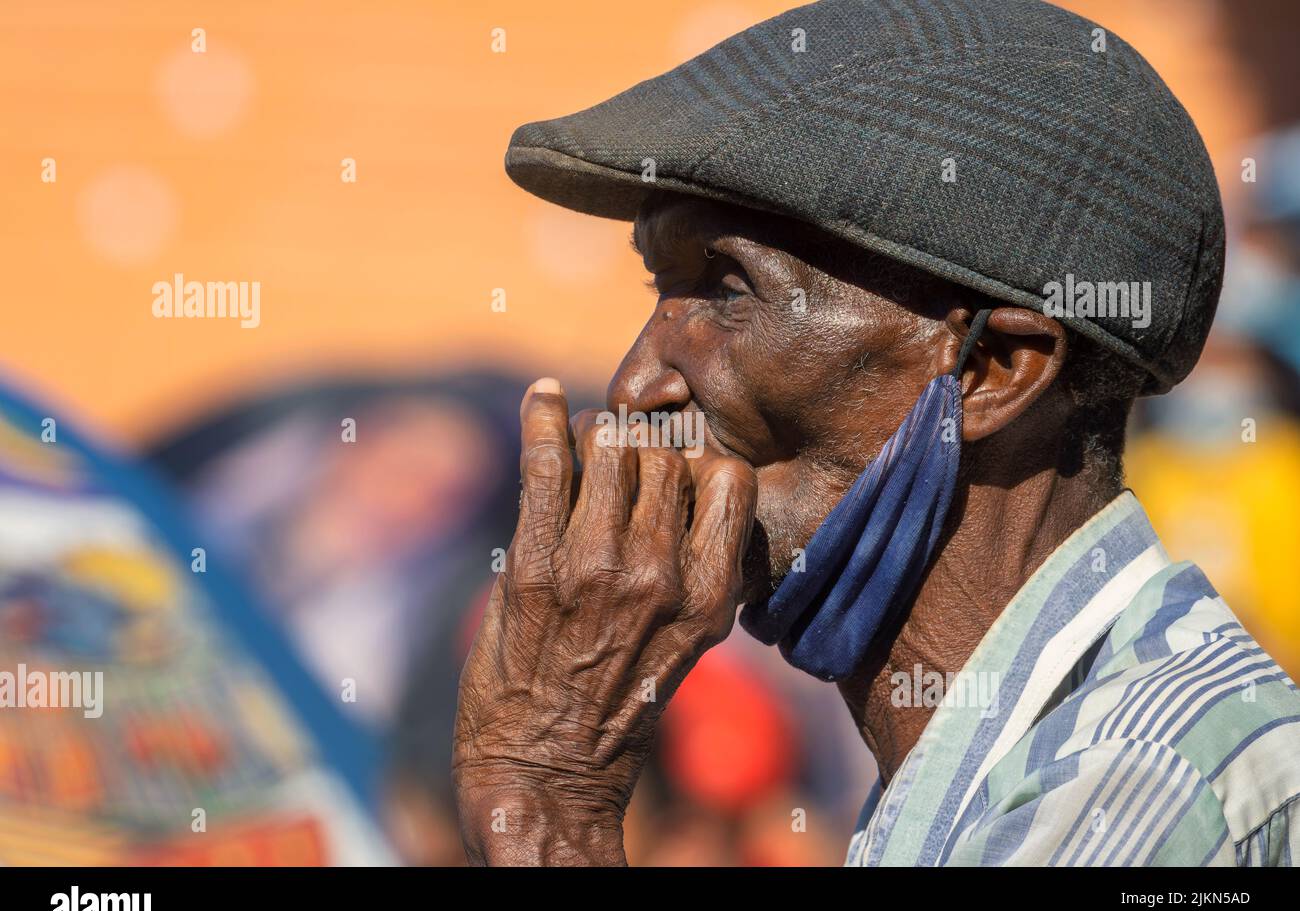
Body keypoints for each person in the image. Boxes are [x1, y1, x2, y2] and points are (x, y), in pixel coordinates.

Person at [452, 0, 1300, 866]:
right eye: (658, 290)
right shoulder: (988, 763)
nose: (637, 386)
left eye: (728, 291)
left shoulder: (1139, 785)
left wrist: (548, 798)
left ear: (992, 371)